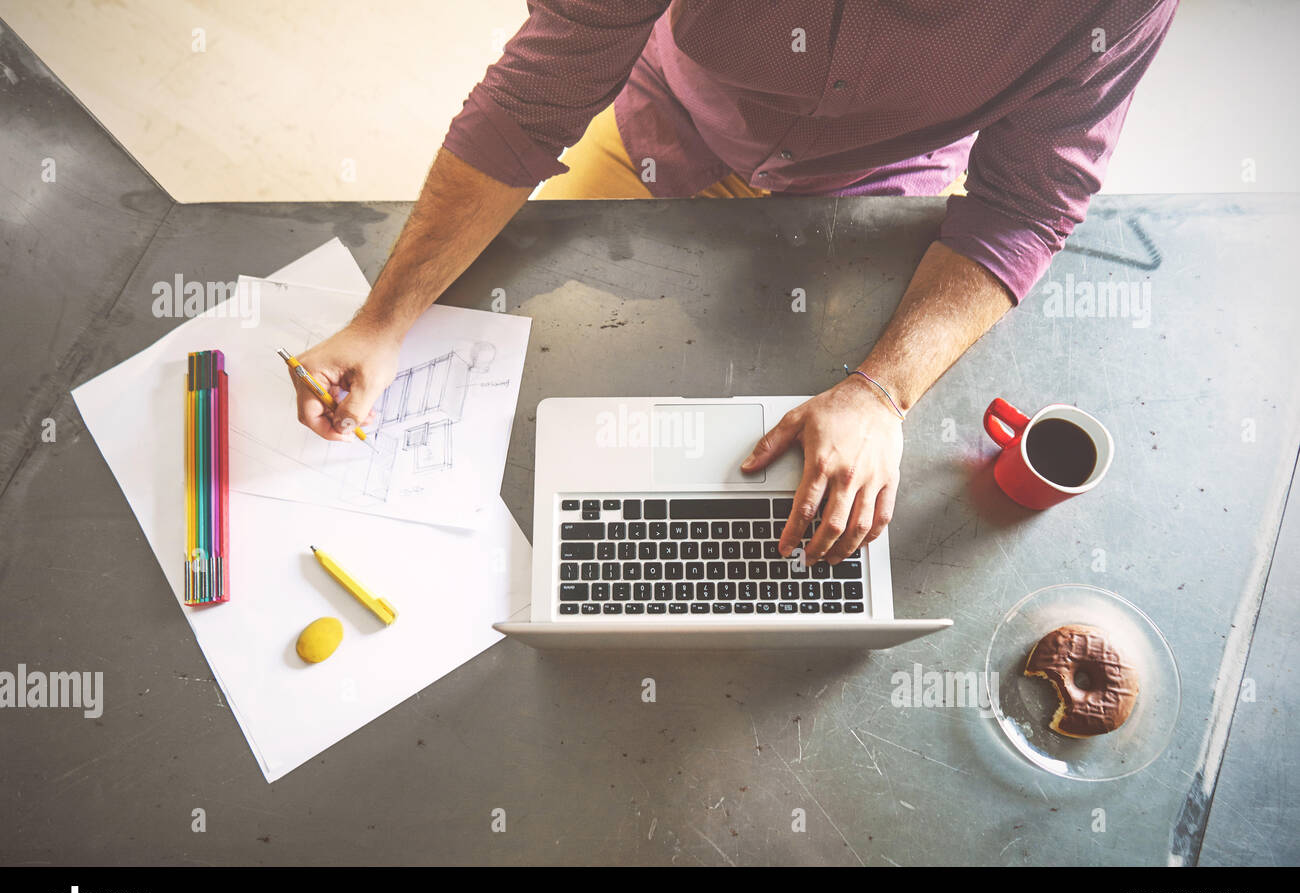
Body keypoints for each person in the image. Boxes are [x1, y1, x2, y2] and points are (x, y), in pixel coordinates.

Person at [290, 0, 1177, 564]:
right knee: (543, 430)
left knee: (747, 499)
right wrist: (381, 319)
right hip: (662, 125)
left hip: (861, 204)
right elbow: (532, 101)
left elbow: (1026, 204)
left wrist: (880, 393)